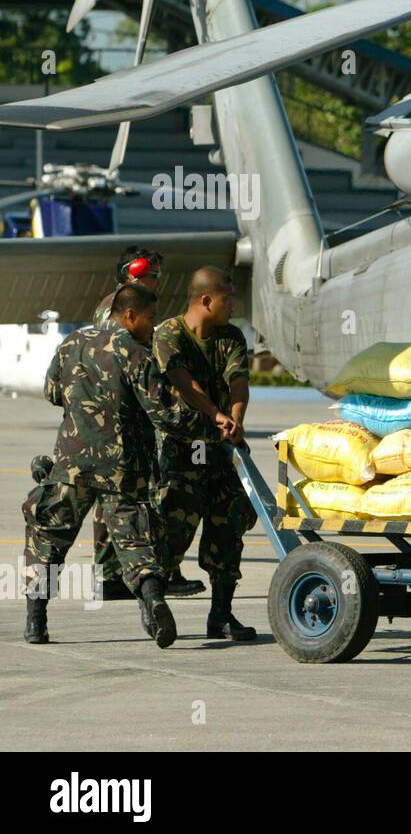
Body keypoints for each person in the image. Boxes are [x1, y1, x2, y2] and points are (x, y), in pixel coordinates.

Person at [23, 284, 219, 647]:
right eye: (150, 318)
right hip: (123, 471)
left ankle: (36, 622)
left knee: (47, 540)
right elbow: (165, 414)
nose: (153, 325)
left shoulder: (71, 343)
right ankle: (154, 601)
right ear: (129, 315)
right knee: (137, 545)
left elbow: (52, 392)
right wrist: (211, 426)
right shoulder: (136, 354)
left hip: (71, 465)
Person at [152, 267, 257, 641]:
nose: (233, 306)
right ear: (206, 300)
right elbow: (183, 383)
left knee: (229, 524)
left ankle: (221, 615)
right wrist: (216, 415)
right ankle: (153, 605)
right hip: (186, 447)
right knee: (173, 528)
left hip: (221, 448)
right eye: (228, 300)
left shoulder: (231, 336)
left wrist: (236, 419)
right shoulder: (168, 333)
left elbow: (239, 381)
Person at [90, 247, 196, 600]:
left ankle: (124, 574)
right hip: (125, 416)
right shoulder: (116, 310)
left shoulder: (128, 305)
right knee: (130, 494)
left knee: (121, 495)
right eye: (152, 273)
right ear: (132, 273)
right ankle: (122, 574)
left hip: (125, 414)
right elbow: (121, 361)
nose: (158, 280)